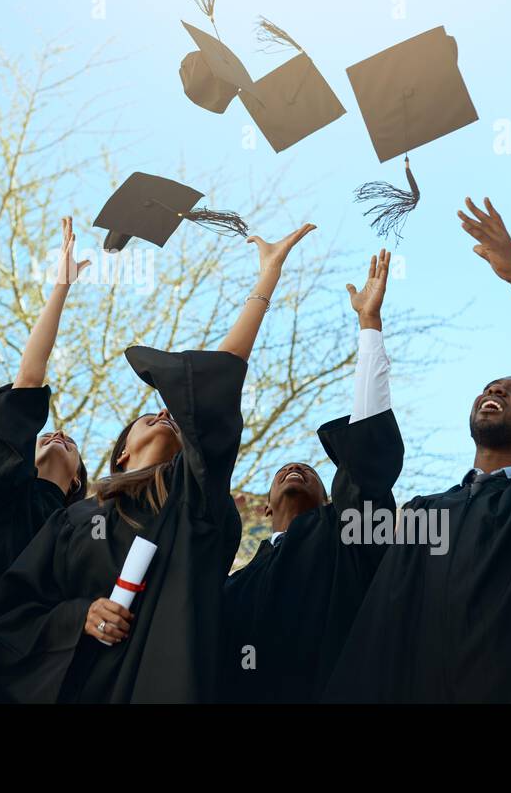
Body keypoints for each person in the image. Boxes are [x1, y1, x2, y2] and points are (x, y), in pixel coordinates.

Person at [0, 222, 317, 703]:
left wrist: (266, 278)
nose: (165, 413)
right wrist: (80, 614)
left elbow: (216, 381)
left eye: (175, 420)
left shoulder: (192, 499)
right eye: (148, 416)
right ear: (120, 451)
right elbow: (12, 611)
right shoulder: (71, 520)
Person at [324, 198, 511, 703]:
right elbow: (367, 469)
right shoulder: (426, 517)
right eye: (490, 385)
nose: (498, 389)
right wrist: (370, 330)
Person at [220, 250, 403, 703]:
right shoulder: (232, 588)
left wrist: (369, 328)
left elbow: (365, 455)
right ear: (263, 508)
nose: (294, 468)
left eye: (309, 471)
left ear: (330, 500)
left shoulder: (346, 538)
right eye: (281, 471)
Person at [0, 218, 90, 610]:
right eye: (47, 435)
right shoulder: (2, 483)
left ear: (77, 481)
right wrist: (61, 288)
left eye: (69, 442)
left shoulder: (82, 530)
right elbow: (29, 378)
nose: (57, 436)